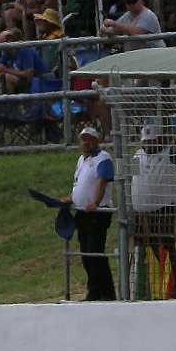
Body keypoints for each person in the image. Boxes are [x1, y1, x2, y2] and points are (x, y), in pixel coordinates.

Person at [127, 124, 176, 298]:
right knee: (146, 254)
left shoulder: (169, 153)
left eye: (152, 141)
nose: (148, 145)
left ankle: (175, 289)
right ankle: (150, 290)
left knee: (167, 252)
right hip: (142, 214)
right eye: (146, 142)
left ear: (160, 139)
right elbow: (133, 180)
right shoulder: (137, 155)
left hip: (164, 211)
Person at [68, 125, 116, 301]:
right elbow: (78, 184)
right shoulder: (82, 160)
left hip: (97, 212)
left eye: (89, 139)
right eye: (83, 139)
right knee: (87, 253)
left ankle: (96, 291)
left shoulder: (103, 159)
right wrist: (71, 198)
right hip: (82, 212)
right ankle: (105, 291)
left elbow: (102, 182)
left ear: (97, 141)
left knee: (94, 252)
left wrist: (95, 203)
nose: (86, 142)